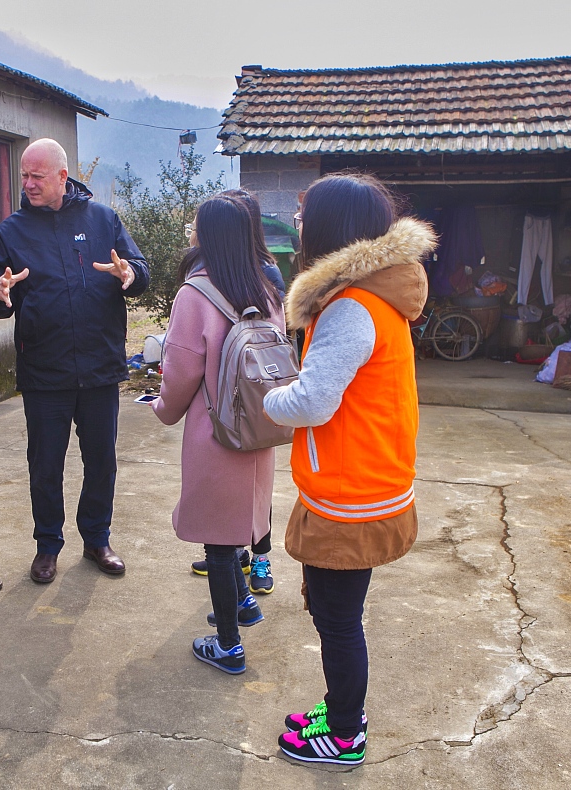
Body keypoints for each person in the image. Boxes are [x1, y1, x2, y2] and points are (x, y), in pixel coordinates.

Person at [263, 173, 433, 767]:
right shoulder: (371, 299)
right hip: (363, 480)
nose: (298, 225)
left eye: (304, 216)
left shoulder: (351, 308)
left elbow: (313, 402)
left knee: (337, 622)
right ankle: (341, 710)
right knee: (337, 614)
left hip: (350, 493)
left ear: (329, 228)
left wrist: (268, 398)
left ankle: (343, 735)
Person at [0, 138, 149, 584]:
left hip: (99, 367)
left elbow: (139, 270)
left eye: (37, 176)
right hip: (44, 371)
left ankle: (97, 539)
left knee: (101, 461)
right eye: (24, 176)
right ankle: (47, 545)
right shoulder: (11, 231)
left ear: (62, 176)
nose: (28, 184)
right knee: (45, 465)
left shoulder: (103, 220)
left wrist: (130, 274)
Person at [150, 195, 283, 674]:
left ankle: (228, 645)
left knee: (219, 543)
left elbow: (181, 371)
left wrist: (163, 409)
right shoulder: (266, 290)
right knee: (239, 523)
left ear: (207, 235)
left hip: (217, 431)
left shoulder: (196, 294)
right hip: (259, 426)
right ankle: (243, 604)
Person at [188, 188, 283, 595]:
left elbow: (183, 365)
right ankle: (238, 564)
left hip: (235, 410)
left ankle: (255, 562)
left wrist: (164, 406)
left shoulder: (255, 279)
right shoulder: (258, 281)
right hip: (257, 410)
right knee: (248, 494)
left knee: (243, 502)